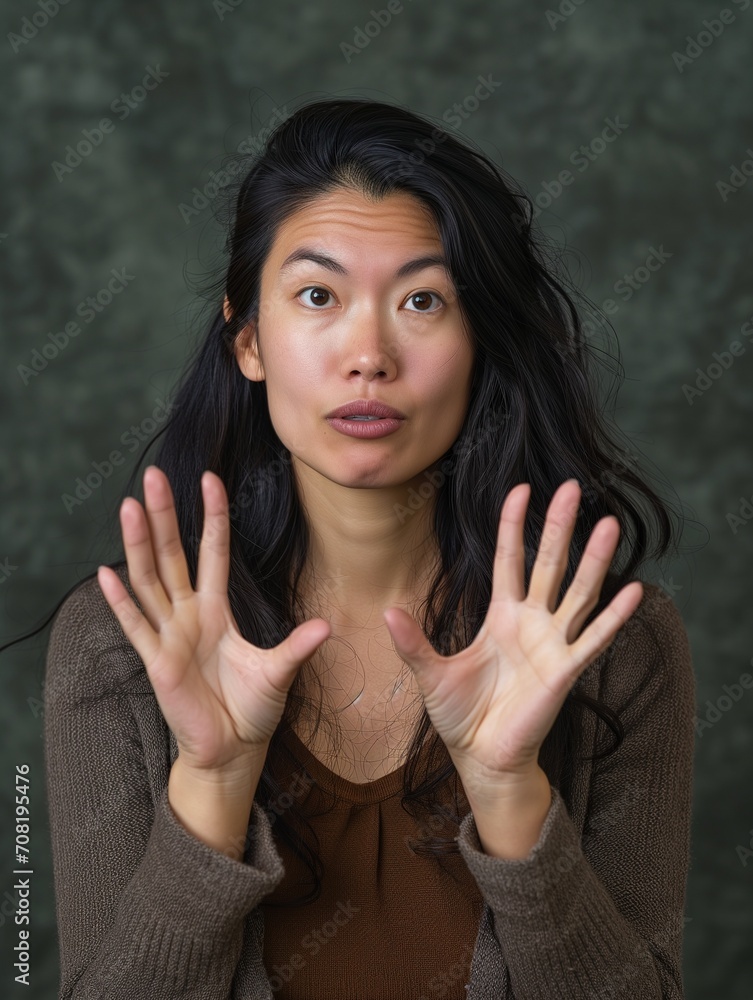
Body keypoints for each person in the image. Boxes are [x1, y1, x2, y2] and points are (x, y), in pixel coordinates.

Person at [38, 97, 697, 998]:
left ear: (480, 343)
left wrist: (510, 793)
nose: (368, 354)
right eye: (317, 295)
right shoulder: (120, 643)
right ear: (247, 338)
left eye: (422, 300)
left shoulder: (610, 647)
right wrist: (212, 782)